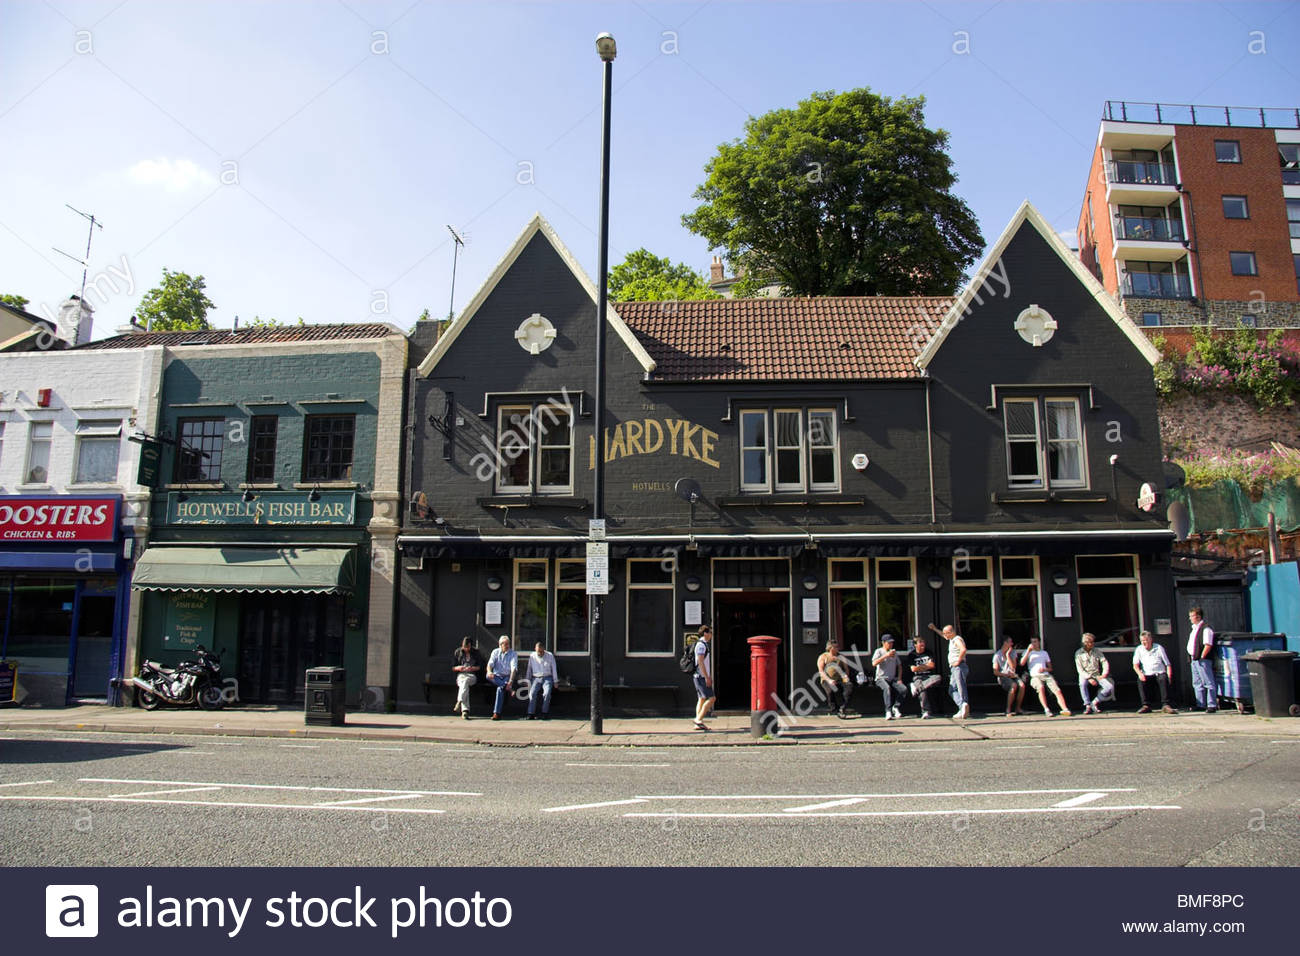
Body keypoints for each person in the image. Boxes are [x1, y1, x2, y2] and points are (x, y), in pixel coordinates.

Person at [1019, 636, 1072, 716]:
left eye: (1035, 641)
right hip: (1035, 676)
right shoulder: (1028, 652)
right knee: (1040, 688)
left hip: (1046, 675)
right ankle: (1046, 709)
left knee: (1057, 690)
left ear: (1039, 642)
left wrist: (1045, 669)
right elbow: (1022, 663)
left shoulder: (1044, 653)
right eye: (1032, 642)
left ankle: (1064, 708)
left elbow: (1050, 668)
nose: (1033, 643)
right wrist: (1028, 651)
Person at [929, 623, 969, 719]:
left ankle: (964, 704)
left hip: (958, 667)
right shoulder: (951, 639)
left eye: (946, 633)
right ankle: (961, 707)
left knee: (960, 687)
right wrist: (934, 629)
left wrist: (958, 661)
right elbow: (943, 636)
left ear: (951, 632)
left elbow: (963, 649)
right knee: (952, 689)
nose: (945, 635)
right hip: (954, 668)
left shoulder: (957, 639)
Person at [1133, 629, 1176, 714]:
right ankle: (1146, 705)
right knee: (1140, 680)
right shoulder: (1139, 649)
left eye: (1146, 640)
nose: (1144, 642)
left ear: (1150, 639)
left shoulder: (1159, 648)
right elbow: (1135, 665)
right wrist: (1140, 674)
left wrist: (1169, 675)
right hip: (1146, 673)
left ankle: (1165, 705)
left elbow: (1167, 663)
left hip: (1159, 672)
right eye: (1142, 641)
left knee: (1163, 678)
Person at [1074, 632, 1115, 714]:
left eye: (1093, 642)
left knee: (1109, 686)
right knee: (1082, 684)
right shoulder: (1078, 653)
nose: (1093, 644)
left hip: (1096, 674)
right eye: (1090, 642)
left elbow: (1104, 662)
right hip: (1085, 674)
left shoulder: (1097, 651)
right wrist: (1089, 678)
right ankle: (1087, 705)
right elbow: (1080, 669)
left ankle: (1095, 702)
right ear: (1085, 643)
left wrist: (1104, 674)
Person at [1187, 606, 1218, 713]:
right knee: (1197, 683)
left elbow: (1208, 644)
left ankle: (1212, 705)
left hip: (1202, 660)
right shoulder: (1194, 629)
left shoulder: (1206, 628)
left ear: (1198, 617)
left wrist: (1202, 657)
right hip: (1194, 659)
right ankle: (1200, 704)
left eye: (1192, 616)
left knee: (1208, 682)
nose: (1190, 618)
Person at [871, 634, 908, 719]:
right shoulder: (879, 651)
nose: (891, 644)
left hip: (892, 678)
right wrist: (886, 655)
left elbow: (899, 666)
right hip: (881, 678)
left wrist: (899, 678)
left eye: (892, 643)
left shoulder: (894, 653)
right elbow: (874, 663)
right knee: (887, 688)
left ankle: (896, 707)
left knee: (903, 689)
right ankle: (888, 711)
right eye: (889, 643)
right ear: (883, 643)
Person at [817, 641, 855, 718]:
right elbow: (821, 671)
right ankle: (834, 709)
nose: (838, 648)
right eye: (836, 647)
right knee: (830, 691)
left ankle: (843, 707)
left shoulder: (841, 657)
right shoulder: (823, 657)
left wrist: (845, 677)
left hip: (840, 679)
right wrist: (829, 680)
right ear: (831, 648)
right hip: (827, 679)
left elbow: (846, 669)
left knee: (849, 687)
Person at [908, 634, 942, 719]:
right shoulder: (912, 655)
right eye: (920, 643)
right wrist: (925, 665)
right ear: (915, 644)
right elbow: (913, 669)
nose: (923, 645)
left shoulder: (928, 652)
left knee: (938, 677)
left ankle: (917, 688)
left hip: (929, 677)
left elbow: (932, 665)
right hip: (918, 677)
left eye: (923, 643)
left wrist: (920, 667)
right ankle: (926, 712)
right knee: (923, 692)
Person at [485, 634, 518, 721]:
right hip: (496, 676)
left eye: (508, 644)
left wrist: (510, 681)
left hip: (506, 677)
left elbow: (513, 669)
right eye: (505, 644)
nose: (507, 646)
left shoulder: (513, 654)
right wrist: (489, 671)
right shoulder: (495, 652)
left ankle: (496, 713)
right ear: (500, 645)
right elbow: (489, 664)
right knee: (487, 676)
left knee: (500, 689)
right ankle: (509, 689)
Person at [992, 636, 1027, 716]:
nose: (1012, 644)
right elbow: (995, 672)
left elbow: (1013, 667)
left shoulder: (1013, 652)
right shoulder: (997, 655)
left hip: (1013, 675)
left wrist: (1008, 655)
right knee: (1013, 686)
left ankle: (1018, 708)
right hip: (1003, 676)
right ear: (1005, 643)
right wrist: (1005, 674)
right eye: (1010, 642)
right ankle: (1008, 709)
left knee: (1022, 685)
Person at [451, 636, 484, 720]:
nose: (465, 649)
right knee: (464, 684)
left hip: (472, 675)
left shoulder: (476, 652)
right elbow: (453, 667)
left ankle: (459, 701)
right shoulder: (458, 652)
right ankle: (465, 711)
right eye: (464, 647)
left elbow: (480, 666)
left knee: (465, 682)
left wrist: (472, 668)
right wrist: (459, 668)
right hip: (461, 675)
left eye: (467, 647)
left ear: (470, 646)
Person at [526, 641, 558, 720]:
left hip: (547, 677)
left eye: (541, 651)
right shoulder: (532, 656)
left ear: (544, 649)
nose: (539, 653)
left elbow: (554, 668)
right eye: (538, 651)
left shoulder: (550, 655)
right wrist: (527, 680)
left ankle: (544, 712)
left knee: (547, 693)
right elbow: (529, 668)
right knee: (532, 693)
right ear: (535, 649)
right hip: (536, 677)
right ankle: (531, 713)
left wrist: (555, 681)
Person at [692, 624, 715, 731]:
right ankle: (698, 719)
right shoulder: (701, 645)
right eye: (710, 632)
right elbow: (701, 662)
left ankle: (698, 723)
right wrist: (707, 677)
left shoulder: (702, 644)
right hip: (701, 676)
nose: (711, 635)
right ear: (705, 633)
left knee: (701, 699)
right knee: (712, 698)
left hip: (698, 676)